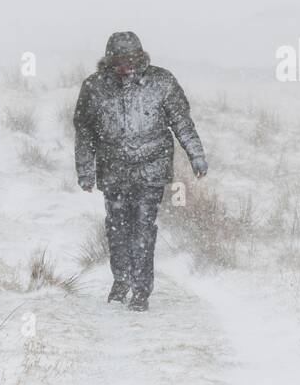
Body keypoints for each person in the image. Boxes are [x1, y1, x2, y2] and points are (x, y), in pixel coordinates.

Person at [73, 32, 207, 311]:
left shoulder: (162, 81)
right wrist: (85, 171)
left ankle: (141, 291)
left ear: (141, 57)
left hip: (152, 168)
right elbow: (84, 133)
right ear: (109, 62)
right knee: (116, 228)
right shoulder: (94, 87)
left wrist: (196, 155)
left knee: (143, 228)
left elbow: (181, 122)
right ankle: (121, 280)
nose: (127, 66)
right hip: (113, 170)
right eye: (120, 61)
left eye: (132, 60)